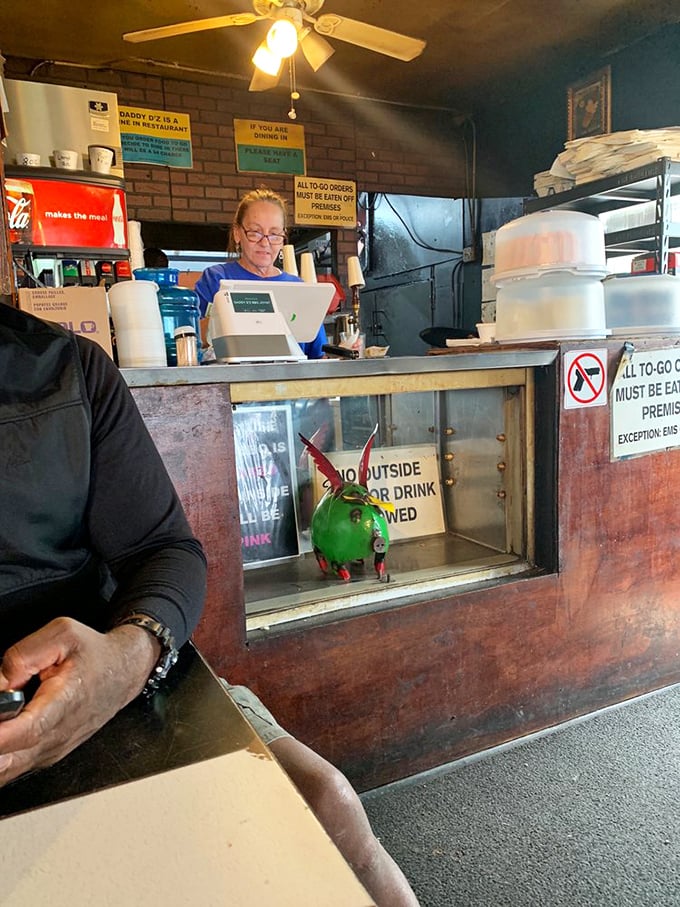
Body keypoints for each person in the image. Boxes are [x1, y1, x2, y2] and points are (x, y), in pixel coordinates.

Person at [0, 302, 419, 906]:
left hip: (110, 689)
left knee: (326, 800)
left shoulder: (67, 367)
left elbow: (166, 549)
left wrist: (129, 652)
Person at [195, 187, 328, 359]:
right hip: (234, 384)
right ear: (237, 234)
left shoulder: (298, 288)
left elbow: (319, 355)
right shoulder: (216, 279)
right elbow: (191, 340)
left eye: (274, 234)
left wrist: (345, 350)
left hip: (291, 384)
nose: (265, 243)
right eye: (255, 232)